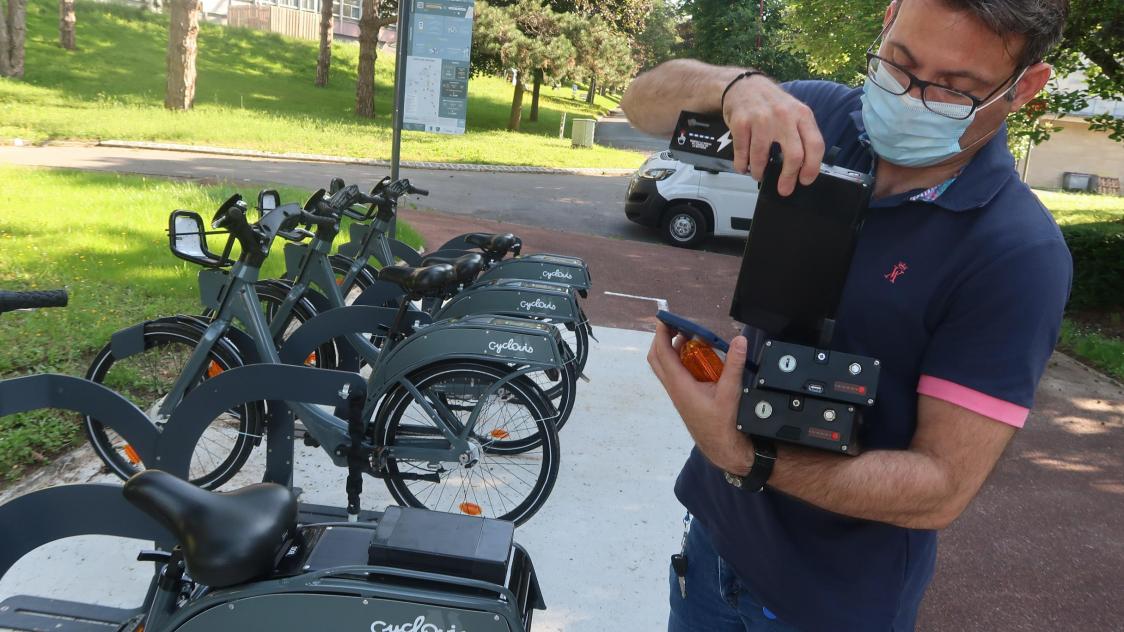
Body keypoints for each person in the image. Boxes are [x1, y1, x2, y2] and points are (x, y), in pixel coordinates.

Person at [621, 0, 1073, 630]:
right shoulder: (822, 118)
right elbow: (640, 101)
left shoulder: (1017, 255)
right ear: (887, 19)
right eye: (900, 63)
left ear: (1023, 88)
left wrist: (745, 454)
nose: (912, 98)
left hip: (825, 602)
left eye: (955, 88)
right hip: (714, 546)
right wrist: (733, 87)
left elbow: (941, 485)